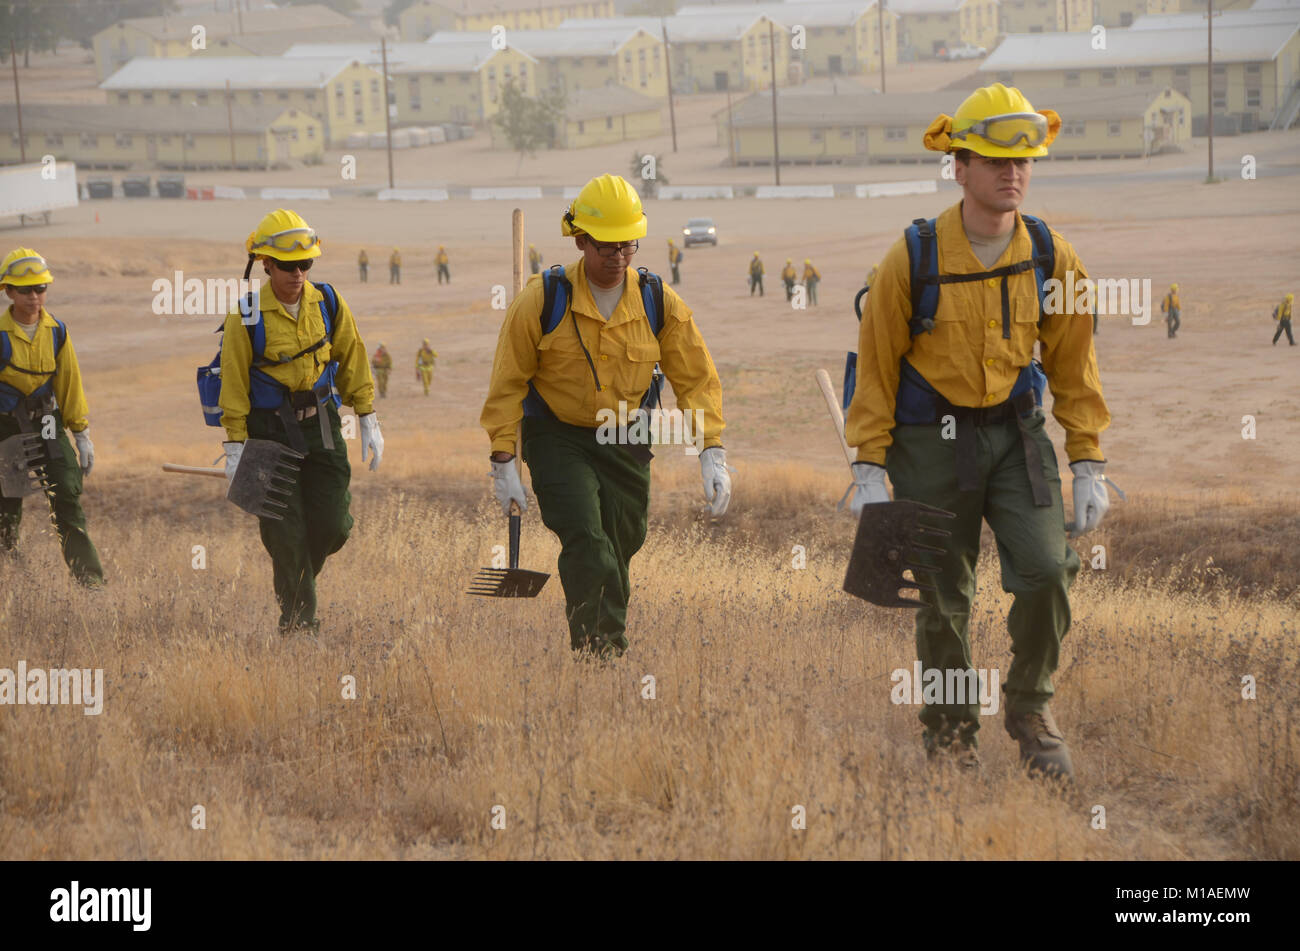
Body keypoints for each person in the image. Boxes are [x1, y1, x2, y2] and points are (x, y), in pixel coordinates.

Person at [844, 84, 1114, 781]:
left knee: (1049, 569)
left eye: (1023, 161)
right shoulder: (912, 258)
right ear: (958, 167)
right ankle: (952, 733)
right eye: (994, 160)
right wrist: (868, 469)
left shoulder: (1054, 257)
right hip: (928, 442)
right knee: (943, 595)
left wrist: (1087, 461)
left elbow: (1076, 368)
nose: (1012, 174)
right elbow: (874, 369)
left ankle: (1028, 705)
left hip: (1017, 436)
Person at [481, 174, 730, 658]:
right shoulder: (542, 299)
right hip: (558, 437)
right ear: (581, 241)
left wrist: (711, 451)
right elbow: (508, 382)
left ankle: (604, 643)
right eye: (608, 247)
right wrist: (503, 458)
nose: (619, 257)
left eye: (628, 246)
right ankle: (599, 652)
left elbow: (696, 380)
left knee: (620, 547)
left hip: (627, 435)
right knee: (589, 543)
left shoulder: (659, 301)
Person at [220, 209, 385, 635]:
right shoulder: (246, 316)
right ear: (266, 263)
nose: (298, 273)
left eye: (305, 264)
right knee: (284, 534)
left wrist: (366, 415)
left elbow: (352, 355)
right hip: (265, 433)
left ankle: (296, 583)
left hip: (323, 425)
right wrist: (234, 446)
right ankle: (299, 626)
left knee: (334, 524)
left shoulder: (328, 301)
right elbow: (235, 384)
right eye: (289, 265)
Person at [0, 248, 104, 587]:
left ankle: (90, 582)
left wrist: (82, 435)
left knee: (68, 497)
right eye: (26, 290)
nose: (34, 297)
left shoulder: (57, 330)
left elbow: (69, 383)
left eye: (40, 289)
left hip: (47, 423)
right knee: (6, 505)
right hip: (6, 427)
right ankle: (9, 572)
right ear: (9, 292)